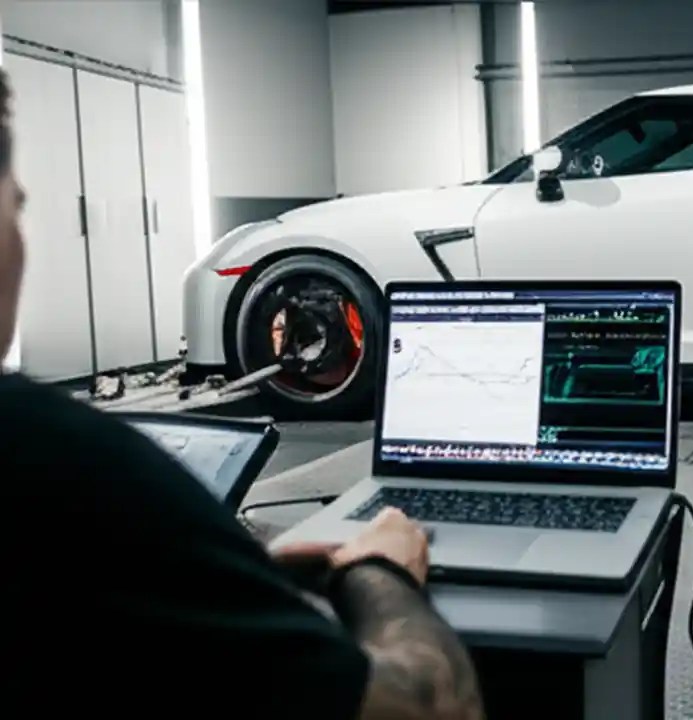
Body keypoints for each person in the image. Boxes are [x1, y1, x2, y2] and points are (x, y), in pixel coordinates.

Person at [0, 68, 483, 719]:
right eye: (18, 203)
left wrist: (206, 569)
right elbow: (430, 707)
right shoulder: (56, 460)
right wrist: (379, 571)